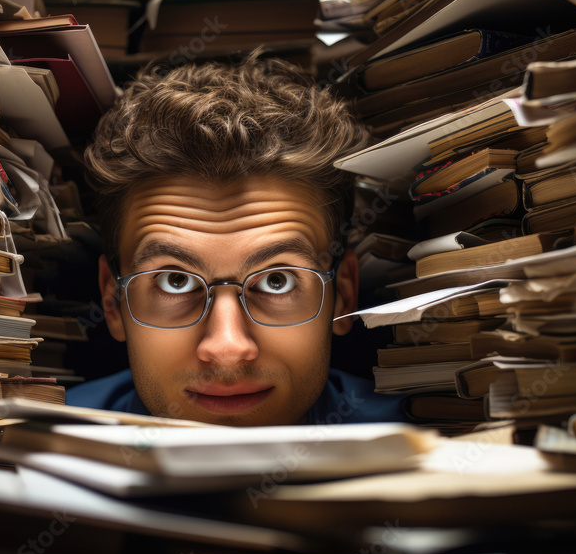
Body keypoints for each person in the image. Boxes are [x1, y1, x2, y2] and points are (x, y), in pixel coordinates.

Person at [64, 54, 406, 426]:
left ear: (343, 296)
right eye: (174, 280)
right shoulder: (31, 447)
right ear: (112, 303)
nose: (227, 349)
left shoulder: (430, 442)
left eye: (278, 280)